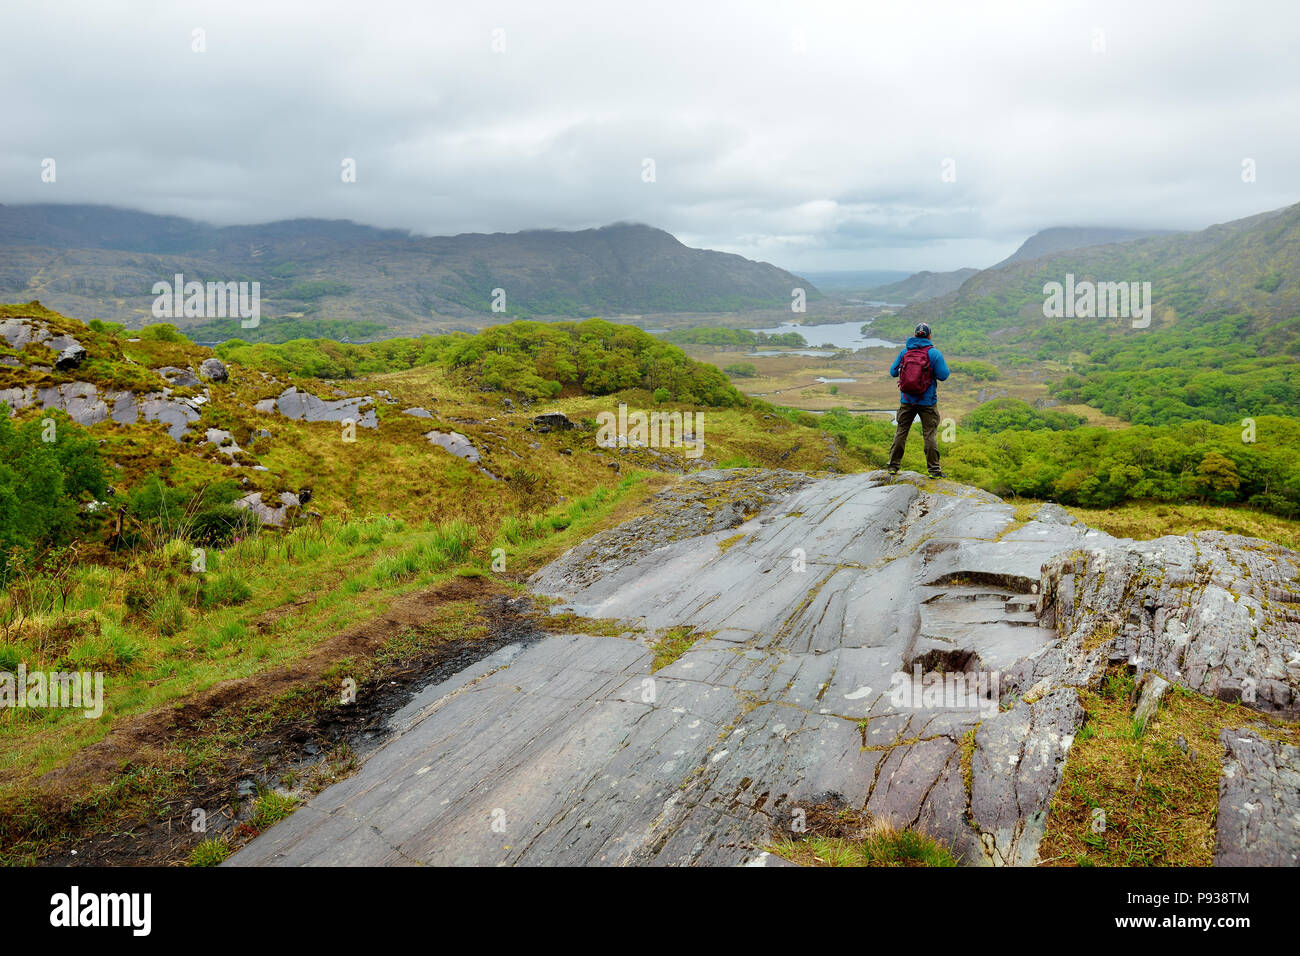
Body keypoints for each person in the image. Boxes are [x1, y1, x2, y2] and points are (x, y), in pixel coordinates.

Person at [887, 322, 949, 478]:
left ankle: (893, 466)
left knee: (901, 431)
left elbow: (893, 372)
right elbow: (944, 375)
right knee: (929, 435)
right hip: (927, 402)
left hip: (907, 400)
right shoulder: (934, 354)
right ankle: (934, 471)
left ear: (915, 335)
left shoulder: (904, 352)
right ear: (929, 336)